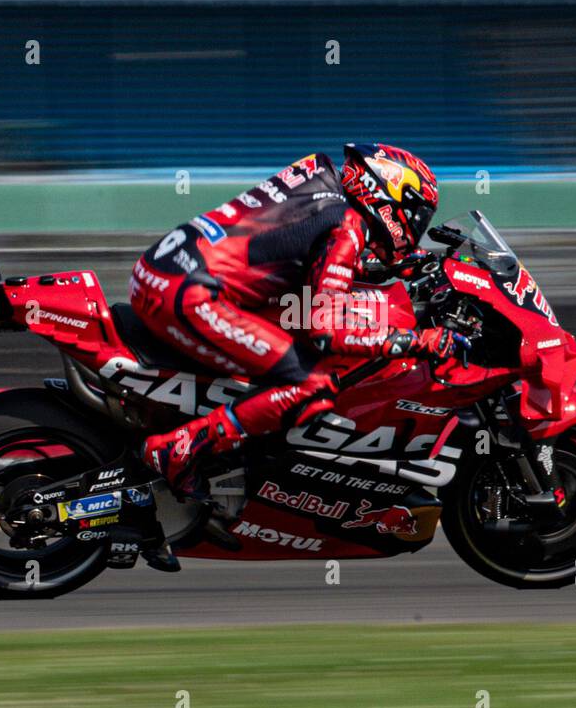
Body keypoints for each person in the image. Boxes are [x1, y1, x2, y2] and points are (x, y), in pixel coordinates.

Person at [132, 143, 465, 498]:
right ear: (388, 198)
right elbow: (327, 331)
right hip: (189, 294)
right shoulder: (347, 227)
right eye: (415, 216)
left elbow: (299, 249)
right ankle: (179, 448)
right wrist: (419, 341)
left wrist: (410, 262)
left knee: (288, 339)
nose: (415, 226)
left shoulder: (321, 178)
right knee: (310, 384)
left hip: (166, 270)